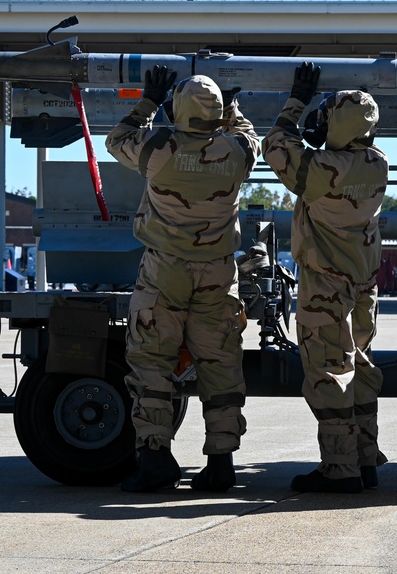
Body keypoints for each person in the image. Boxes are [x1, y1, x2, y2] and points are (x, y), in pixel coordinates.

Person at [106, 66, 259, 493]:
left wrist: (148, 102)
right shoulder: (236, 152)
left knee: (152, 362)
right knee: (220, 366)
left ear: (177, 110)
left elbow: (116, 140)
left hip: (166, 271)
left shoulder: (158, 148)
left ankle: (155, 458)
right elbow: (250, 136)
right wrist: (231, 109)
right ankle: (221, 463)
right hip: (218, 272)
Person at [262, 62, 389, 493]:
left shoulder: (319, 170)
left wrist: (296, 102)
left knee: (330, 374)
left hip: (326, 288)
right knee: (362, 369)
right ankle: (366, 459)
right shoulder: (378, 163)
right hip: (363, 287)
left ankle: (339, 467)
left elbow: (275, 144)